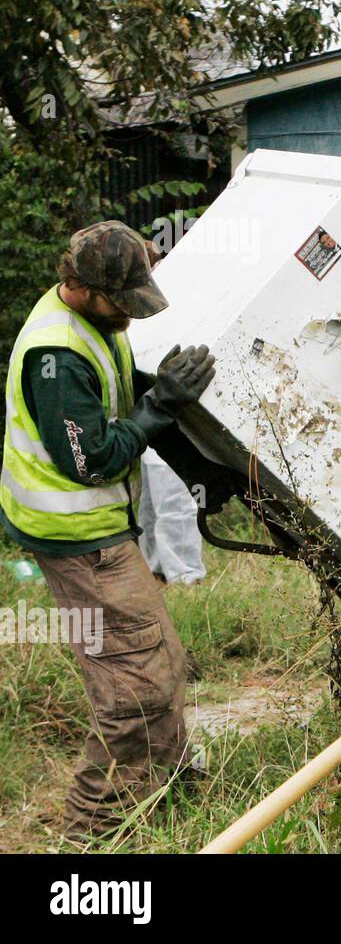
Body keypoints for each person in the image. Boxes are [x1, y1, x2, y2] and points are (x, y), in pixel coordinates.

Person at [0, 221, 216, 838]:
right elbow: (89, 457)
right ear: (81, 286)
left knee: (161, 660)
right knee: (134, 692)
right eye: (121, 303)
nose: (130, 315)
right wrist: (161, 406)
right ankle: (91, 831)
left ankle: (163, 791)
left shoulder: (95, 319)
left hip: (94, 527)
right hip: (77, 537)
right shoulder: (56, 358)